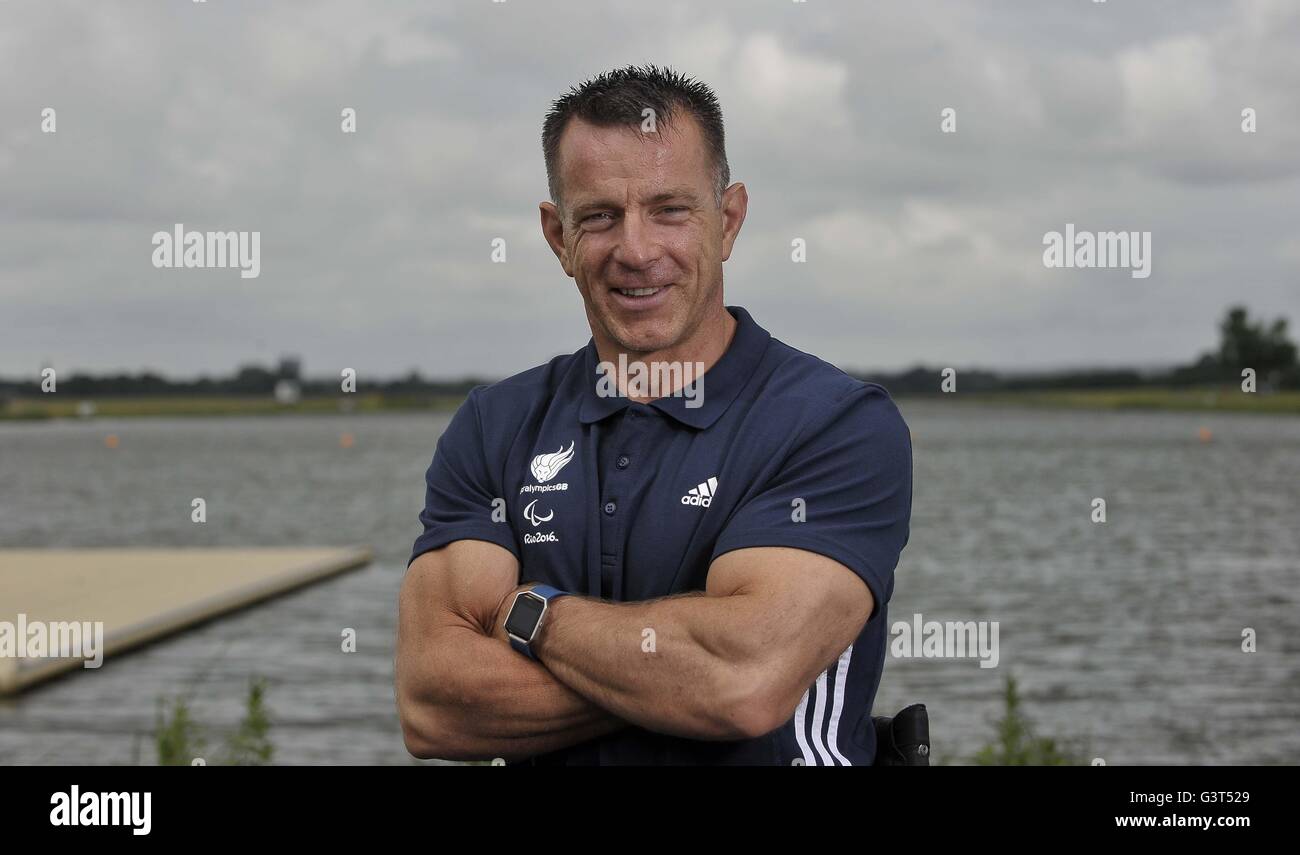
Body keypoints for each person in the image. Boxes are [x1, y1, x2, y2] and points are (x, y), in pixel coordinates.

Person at [396, 65, 912, 765]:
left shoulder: (834, 424)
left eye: (670, 209)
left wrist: (530, 614)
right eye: (600, 215)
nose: (636, 250)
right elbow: (434, 704)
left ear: (727, 220)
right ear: (558, 237)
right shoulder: (493, 425)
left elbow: (741, 681)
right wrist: (672, 680)